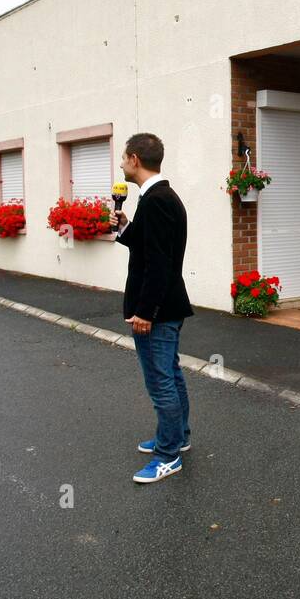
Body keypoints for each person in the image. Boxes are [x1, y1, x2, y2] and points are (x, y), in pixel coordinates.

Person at [112, 133, 194, 484]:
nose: (120, 164)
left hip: (157, 311)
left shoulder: (158, 200)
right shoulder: (155, 198)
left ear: (134, 159)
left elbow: (159, 263)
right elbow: (147, 247)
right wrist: (126, 226)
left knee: (160, 382)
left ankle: (168, 456)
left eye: (122, 158)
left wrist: (146, 311)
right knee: (171, 375)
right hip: (166, 306)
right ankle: (177, 437)